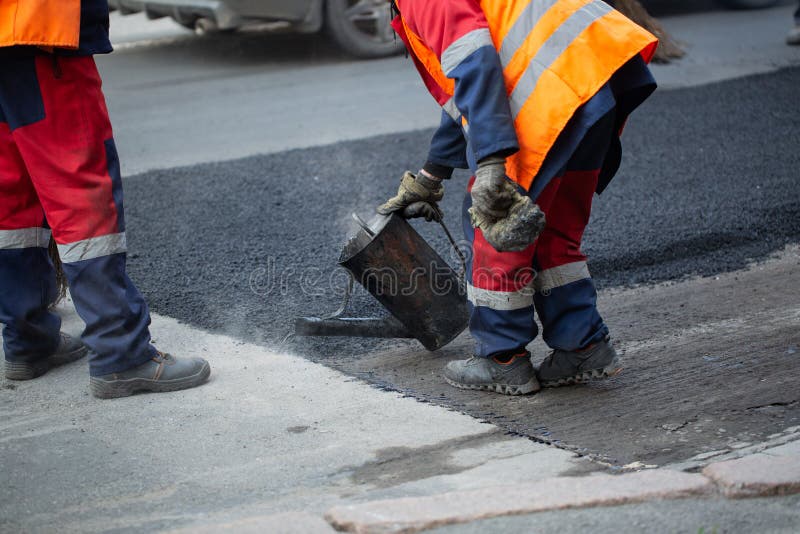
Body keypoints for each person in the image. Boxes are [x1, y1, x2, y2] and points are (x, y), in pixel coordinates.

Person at [379, 0, 657, 394]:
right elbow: (469, 90)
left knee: (494, 224)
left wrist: (492, 162)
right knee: (553, 231)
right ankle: (584, 347)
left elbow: (476, 65)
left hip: (552, 97)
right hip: (591, 85)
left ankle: (502, 358)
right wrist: (430, 175)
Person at [0, 0, 210, 398]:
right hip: (38, 30)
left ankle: (26, 340)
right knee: (81, 195)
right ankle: (122, 355)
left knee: (12, 198)